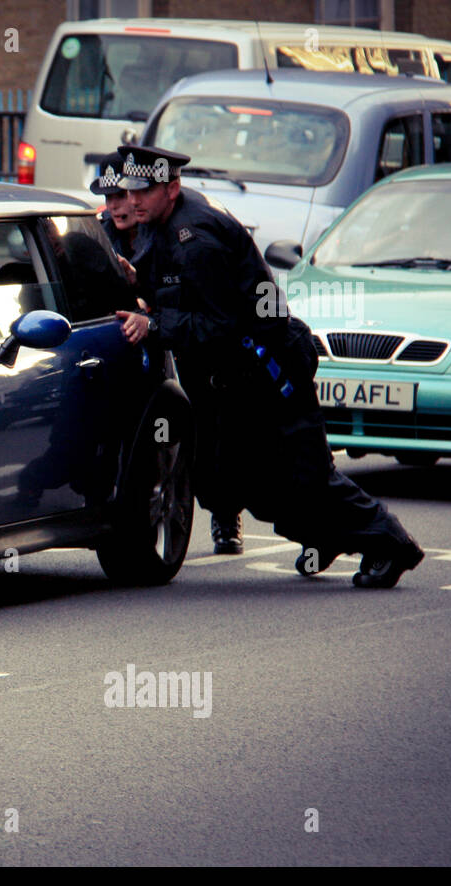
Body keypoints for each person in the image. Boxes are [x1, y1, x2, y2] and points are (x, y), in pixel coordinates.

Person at [112, 144, 424, 588]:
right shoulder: (161, 223)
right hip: (234, 380)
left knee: (308, 477)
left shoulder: (197, 238)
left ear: (172, 188)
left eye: (144, 190)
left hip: (268, 373)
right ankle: (321, 538)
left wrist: (154, 322)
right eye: (130, 190)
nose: (134, 200)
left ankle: (392, 546)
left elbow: (221, 322)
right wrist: (137, 282)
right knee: (238, 481)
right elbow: (178, 288)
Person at [93, 149, 244, 553]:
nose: (121, 205)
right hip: (147, 346)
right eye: (111, 198)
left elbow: (207, 309)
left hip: (193, 344)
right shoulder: (100, 231)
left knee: (215, 437)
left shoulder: (177, 230)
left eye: (126, 194)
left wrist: (151, 310)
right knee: (168, 439)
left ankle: (226, 515)